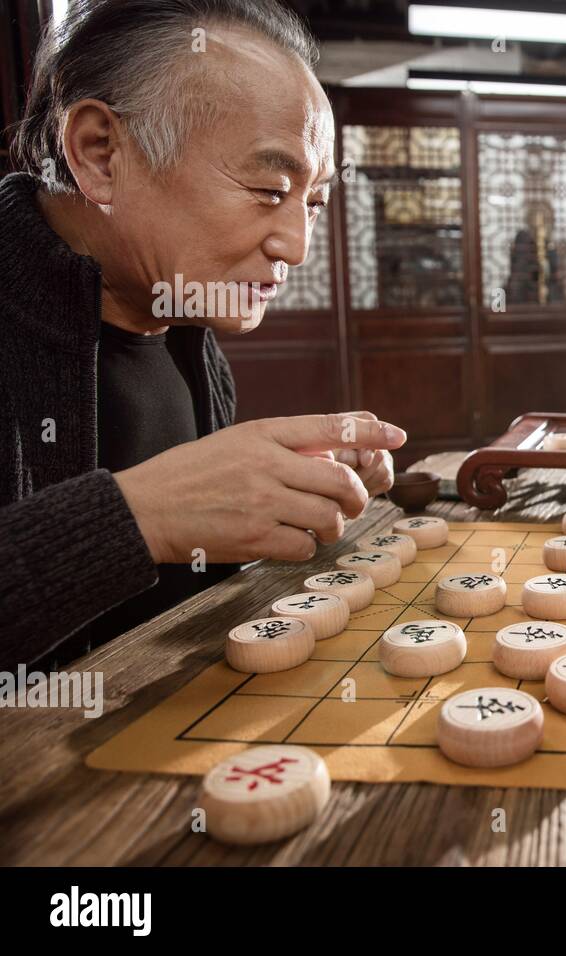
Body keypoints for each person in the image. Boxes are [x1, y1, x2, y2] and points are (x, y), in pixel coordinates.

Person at [0, 0, 406, 671]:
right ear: (101, 154)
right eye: (268, 188)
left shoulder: (187, 323)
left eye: (314, 201)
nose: (296, 247)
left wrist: (282, 496)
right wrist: (132, 518)